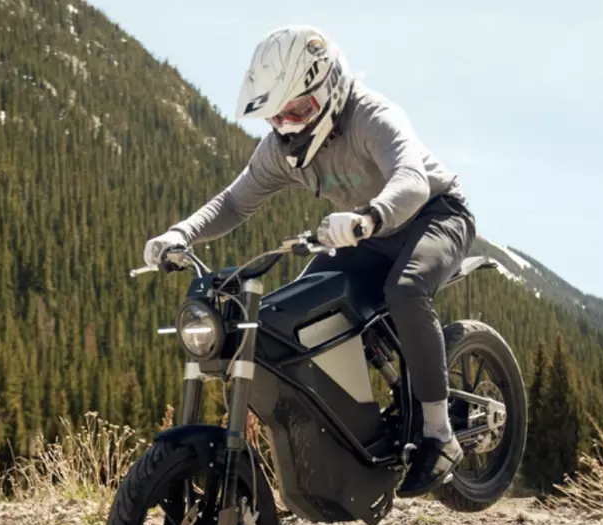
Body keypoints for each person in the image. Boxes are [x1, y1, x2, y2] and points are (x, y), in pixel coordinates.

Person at [142, 24, 474, 498]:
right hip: (366, 232)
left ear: (330, 87)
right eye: (277, 116)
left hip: (433, 215)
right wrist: (181, 233)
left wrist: (370, 215)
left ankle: (440, 434)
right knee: (305, 311)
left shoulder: (371, 116)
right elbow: (234, 203)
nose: (288, 125)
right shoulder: (280, 150)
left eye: (298, 110)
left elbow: (412, 179)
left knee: (405, 289)